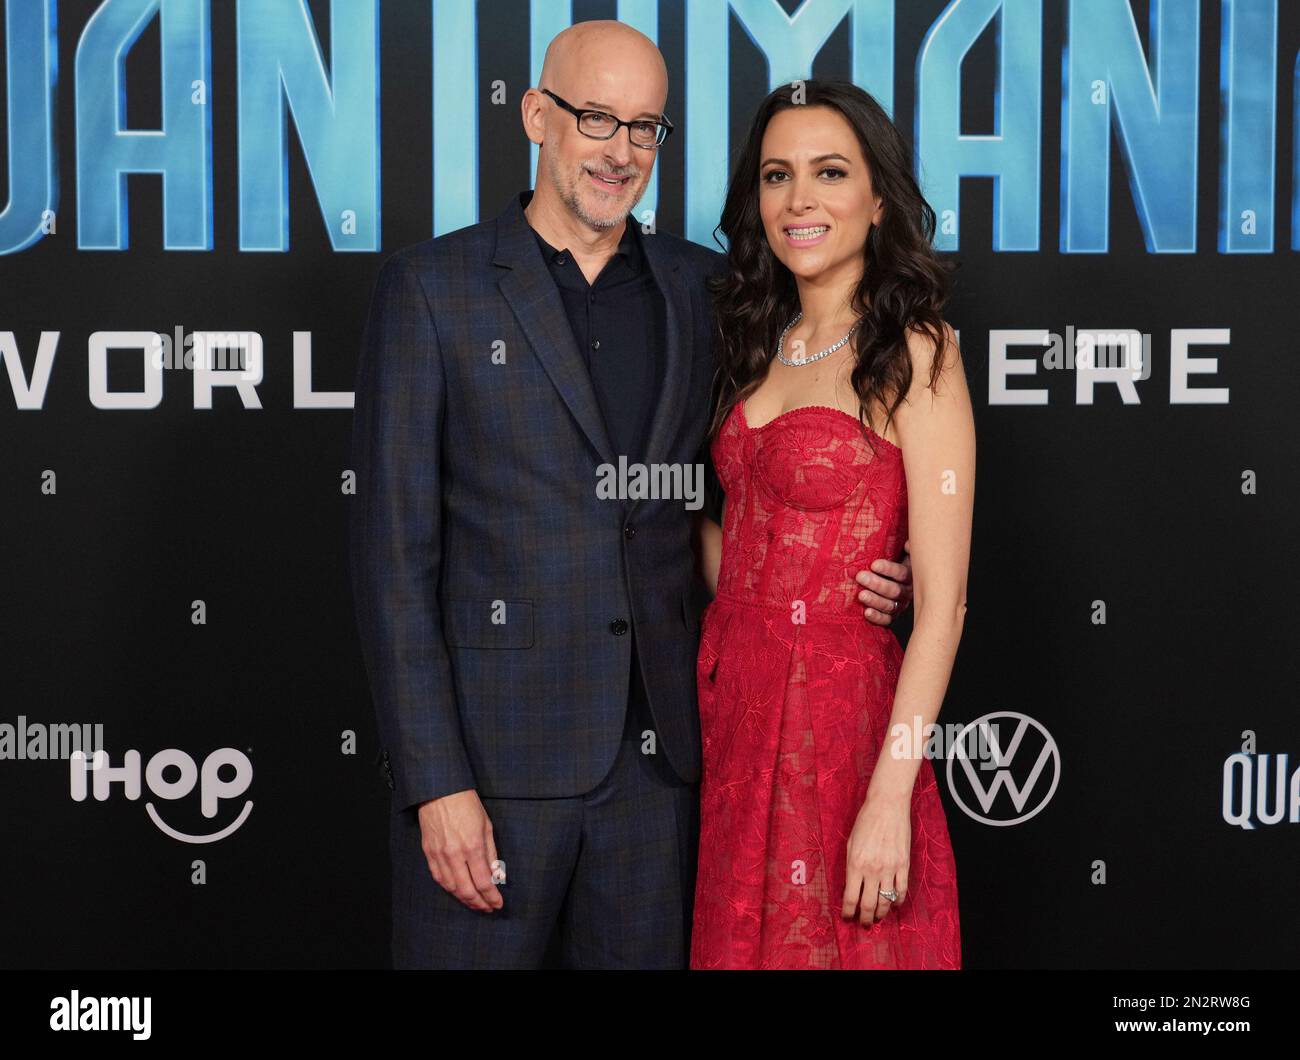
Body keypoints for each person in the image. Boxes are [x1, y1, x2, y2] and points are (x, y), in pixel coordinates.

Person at [350, 21, 912, 970]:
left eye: (645, 127)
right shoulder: (433, 290)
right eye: (596, 118)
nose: (621, 151)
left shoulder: (712, 291)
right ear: (536, 116)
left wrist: (855, 567)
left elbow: (761, 474)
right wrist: (434, 784)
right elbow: (392, 560)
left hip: (668, 775)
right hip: (493, 776)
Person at [690, 80, 972, 969]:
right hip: (736, 718)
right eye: (777, 175)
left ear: (879, 198)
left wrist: (890, 794)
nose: (798, 199)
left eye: (829, 172)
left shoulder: (916, 348)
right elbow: (730, 542)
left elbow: (943, 608)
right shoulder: (751, 340)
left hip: (846, 726)